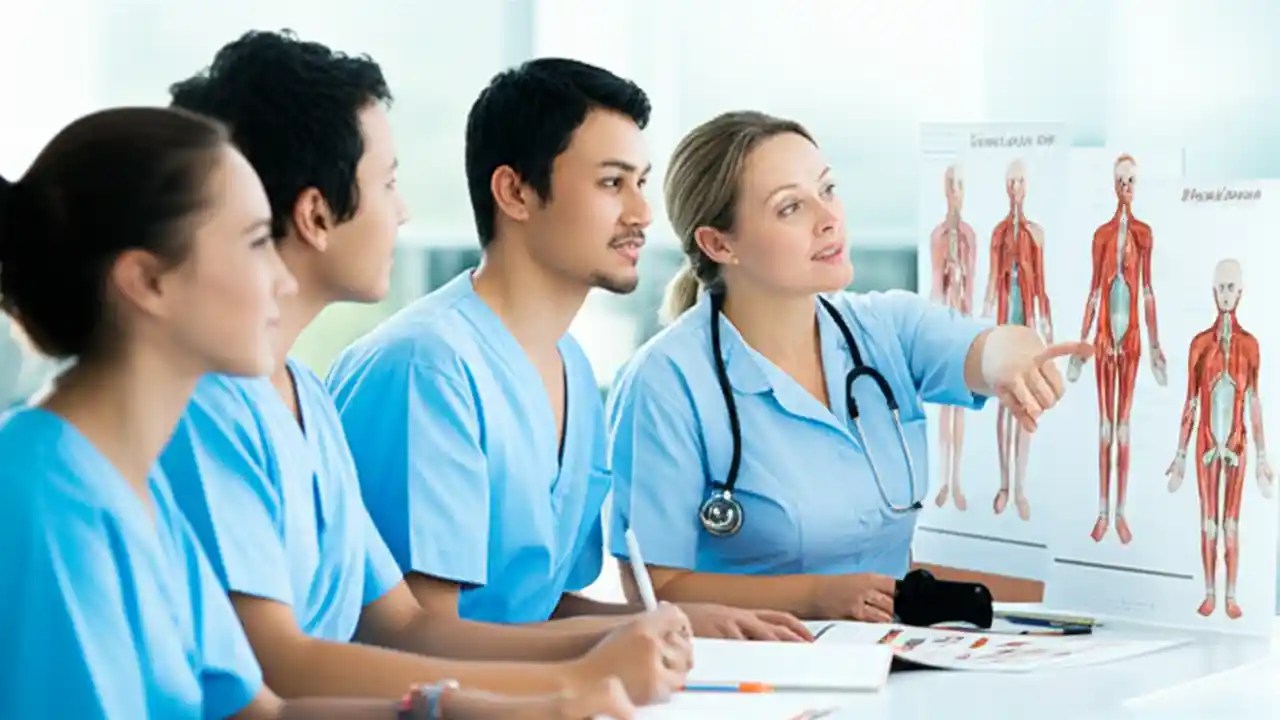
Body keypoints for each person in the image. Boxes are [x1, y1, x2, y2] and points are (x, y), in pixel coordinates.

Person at [0, 106, 613, 720]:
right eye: (255, 243)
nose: (283, 279)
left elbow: (258, 713)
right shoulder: (45, 497)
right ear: (147, 281)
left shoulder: (133, 485)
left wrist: (496, 709)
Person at [156, 30, 690, 707]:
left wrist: (639, 635)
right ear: (316, 213)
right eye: (388, 183)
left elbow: (405, 624)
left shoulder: (304, 398)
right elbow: (281, 670)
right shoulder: (207, 405)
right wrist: (563, 688)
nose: (404, 211)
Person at [327, 59, 809, 642]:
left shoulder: (572, 369)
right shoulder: (426, 368)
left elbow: (536, 610)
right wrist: (610, 651)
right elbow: (420, 641)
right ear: (516, 192)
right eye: (611, 183)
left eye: (640, 183)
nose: (641, 213)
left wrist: (672, 623)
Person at [606, 111, 1092, 621]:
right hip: (750, 660)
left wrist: (1012, 355)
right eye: (791, 207)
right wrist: (816, 597)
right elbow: (654, 589)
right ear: (719, 244)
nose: (828, 218)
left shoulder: (885, 328)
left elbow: (984, 347)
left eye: (828, 189)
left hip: (886, 649)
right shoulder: (666, 383)